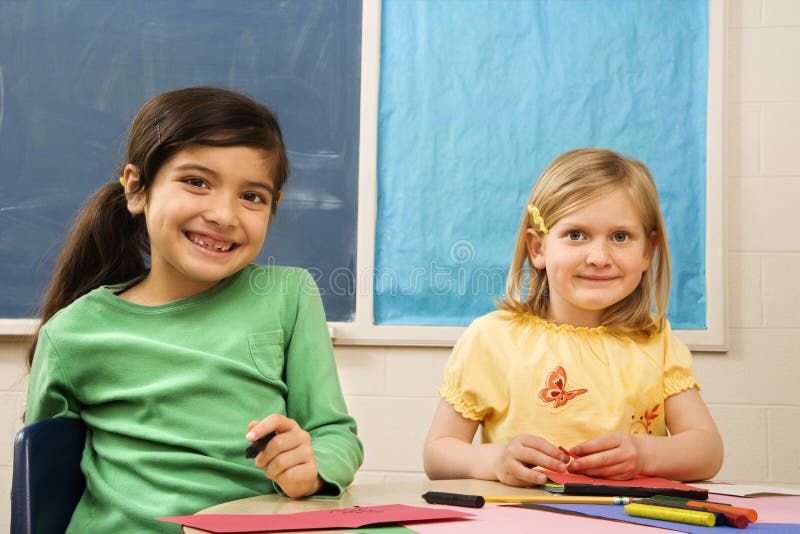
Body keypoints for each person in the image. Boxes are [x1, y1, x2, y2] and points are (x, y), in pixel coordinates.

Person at [25, 86, 363, 532]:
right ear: (136, 189)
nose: (224, 215)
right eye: (197, 182)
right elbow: (42, 478)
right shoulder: (72, 333)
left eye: (252, 196)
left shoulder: (288, 296)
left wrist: (312, 466)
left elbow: (335, 435)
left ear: (274, 207)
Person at [423, 148, 723, 487]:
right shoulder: (492, 339)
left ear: (647, 252)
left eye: (620, 237)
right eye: (576, 235)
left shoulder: (656, 341)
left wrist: (645, 454)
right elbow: (438, 453)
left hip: (630, 514)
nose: (599, 257)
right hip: (524, 513)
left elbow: (708, 450)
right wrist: (495, 460)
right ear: (538, 248)